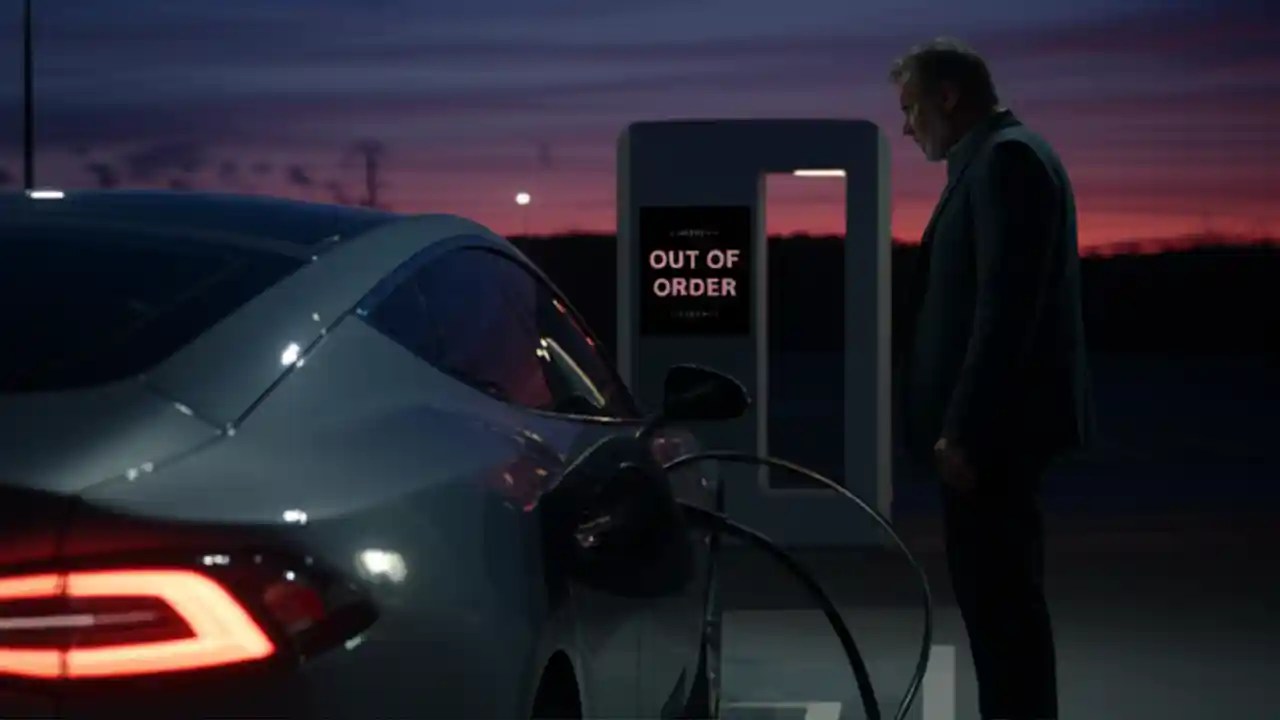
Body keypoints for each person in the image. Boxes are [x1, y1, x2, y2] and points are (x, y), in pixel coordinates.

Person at [889, 38, 1096, 720]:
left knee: (1002, 611)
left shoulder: (1005, 161)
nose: (908, 125)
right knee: (1000, 611)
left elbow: (1005, 311)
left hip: (990, 443)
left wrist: (963, 429)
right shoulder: (1000, 159)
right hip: (992, 438)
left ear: (949, 96)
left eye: (912, 107)